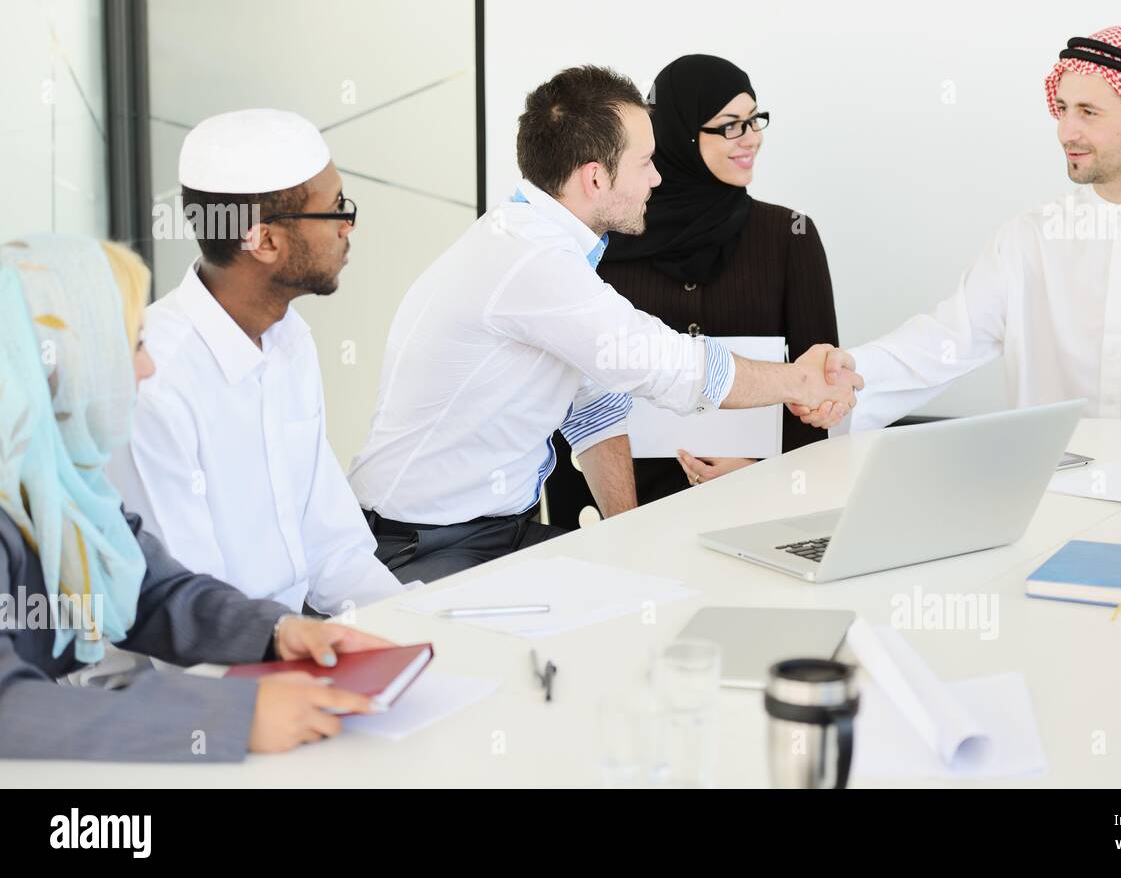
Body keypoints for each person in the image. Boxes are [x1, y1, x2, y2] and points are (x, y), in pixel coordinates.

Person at [348, 65, 860, 583]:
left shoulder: (545, 244)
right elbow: (670, 366)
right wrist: (802, 378)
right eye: (645, 164)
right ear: (595, 177)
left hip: (493, 532)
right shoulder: (533, 261)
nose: (657, 178)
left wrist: (627, 535)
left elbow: (594, 406)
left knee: (644, 592)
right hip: (424, 545)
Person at [0, 237, 395, 761]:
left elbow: (157, 593)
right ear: (71, 362)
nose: (147, 368)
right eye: (132, 345)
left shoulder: (60, 481)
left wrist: (276, 632)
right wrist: (229, 715)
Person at [796, 26, 1121, 432]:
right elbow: (945, 341)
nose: (1066, 131)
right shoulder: (1032, 241)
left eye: (1088, 113)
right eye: (1062, 110)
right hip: (1059, 518)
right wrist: (847, 372)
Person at [109, 109, 402, 615]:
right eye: (335, 209)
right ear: (264, 241)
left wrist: (419, 632)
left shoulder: (291, 340)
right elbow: (188, 620)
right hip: (202, 678)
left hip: (286, 646)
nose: (348, 225)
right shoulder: (154, 385)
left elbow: (335, 552)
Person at [546, 54, 839, 519]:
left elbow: (814, 379)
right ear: (681, 135)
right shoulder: (610, 240)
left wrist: (762, 472)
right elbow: (574, 388)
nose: (752, 139)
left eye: (754, 120)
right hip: (626, 510)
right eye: (730, 126)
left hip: (758, 506)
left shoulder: (789, 235)